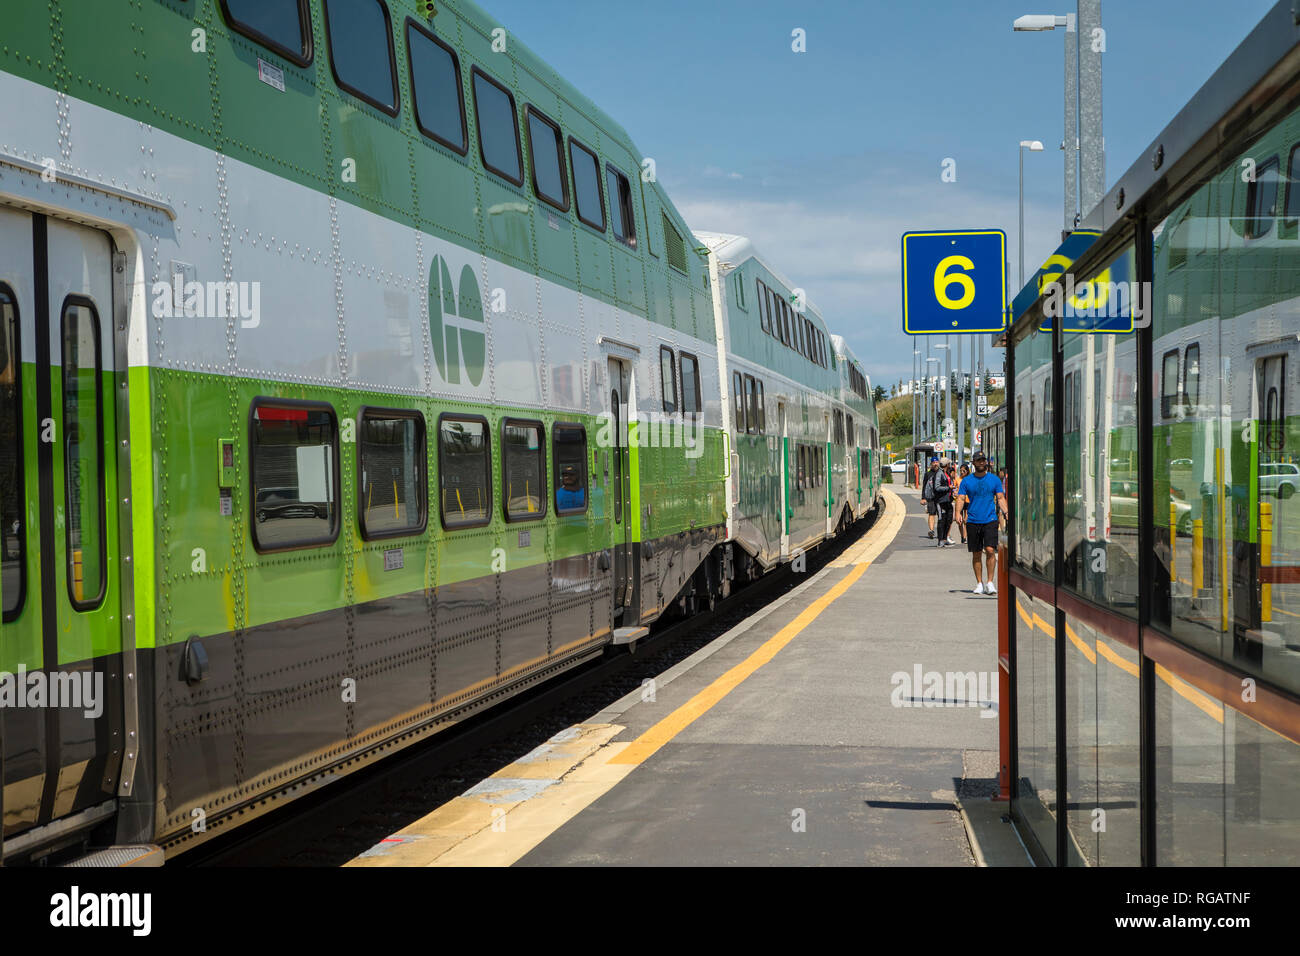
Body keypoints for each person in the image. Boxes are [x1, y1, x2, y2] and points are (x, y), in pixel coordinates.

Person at [956, 452, 1007, 594]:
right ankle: (979, 583)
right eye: (978, 460)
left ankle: (990, 582)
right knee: (976, 553)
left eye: (983, 460)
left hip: (990, 519)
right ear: (973, 463)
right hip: (973, 520)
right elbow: (961, 498)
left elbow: (1000, 497)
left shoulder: (994, 480)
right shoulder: (967, 481)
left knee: (990, 550)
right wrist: (957, 513)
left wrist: (1006, 512)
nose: (981, 462)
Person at [934, 457, 954, 547]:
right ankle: (940, 540)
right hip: (941, 501)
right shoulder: (939, 473)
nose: (950, 465)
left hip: (948, 500)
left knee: (949, 519)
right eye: (949, 463)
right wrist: (948, 488)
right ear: (946, 464)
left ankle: (945, 538)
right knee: (941, 520)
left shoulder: (946, 473)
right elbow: (937, 487)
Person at [921, 457, 941, 538]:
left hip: (940, 498)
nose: (935, 464)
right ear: (931, 464)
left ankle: (941, 532)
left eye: (936, 462)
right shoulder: (928, 474)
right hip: (931, 498)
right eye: (934, 462)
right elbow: (924, 486)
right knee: (931, 514)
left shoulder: (941, 473)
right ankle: (931, 530)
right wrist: (923, 498)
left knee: (941, 516)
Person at [954, 463, 971, 544]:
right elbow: (954, 489)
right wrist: (955, 493)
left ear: (967, 471)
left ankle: (964, 537)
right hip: (959, 501)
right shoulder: (957, 479)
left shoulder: (970, 479)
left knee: (966, 520)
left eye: (963, 471)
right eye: (960, 471)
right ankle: (962, 536)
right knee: (959, 521)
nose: (962, 472)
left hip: (968, 500)